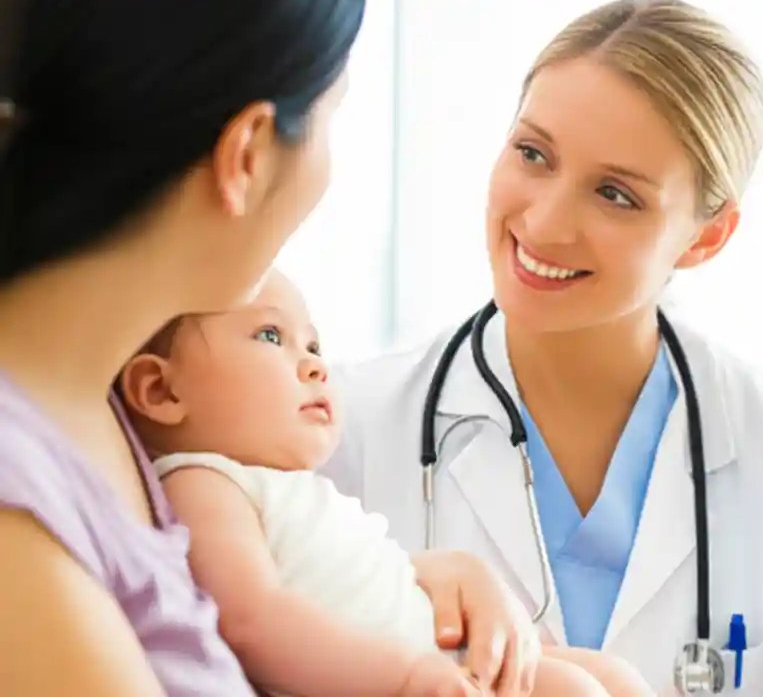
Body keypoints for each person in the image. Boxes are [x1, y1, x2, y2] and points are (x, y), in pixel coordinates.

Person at [326, 0, 763, 696]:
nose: (546, 224)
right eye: (533, 153)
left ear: (707, 237)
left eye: (616, 194)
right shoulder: (352, 424)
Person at [0, 0, 540, 695]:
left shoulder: (93, 404)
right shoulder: (19, 514)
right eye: (330, 119)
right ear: (248, 154)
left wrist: (419, 582)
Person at [117, 269, 652, 697]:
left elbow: (339, 579)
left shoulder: (288, 488)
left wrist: (441, 577)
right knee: (577, 691)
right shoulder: (203, 483)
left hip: (435, 662)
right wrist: (404, 678)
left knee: (616, 679)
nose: (312, 366)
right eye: (271, 335)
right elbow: (253, 618)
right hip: (392, 678)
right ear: (161, 390)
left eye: (314, 345)